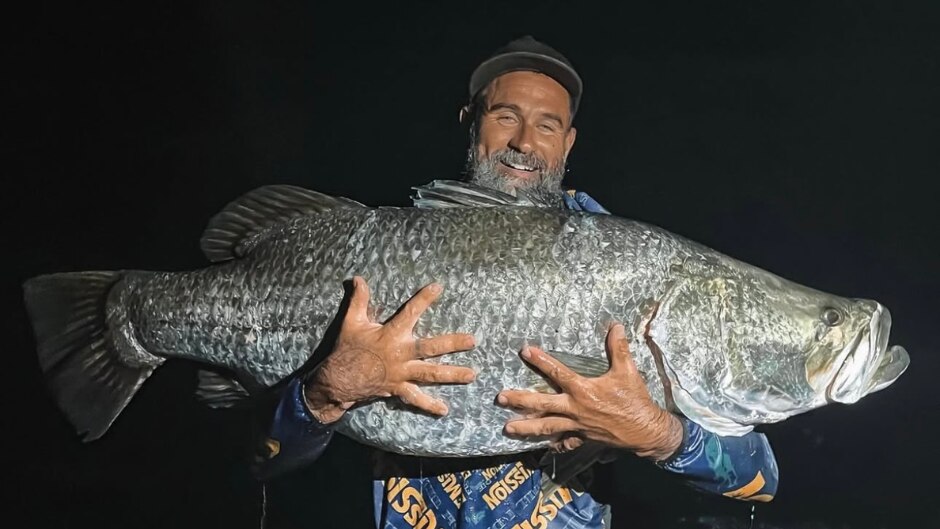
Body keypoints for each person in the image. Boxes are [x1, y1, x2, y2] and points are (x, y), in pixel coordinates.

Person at [253, 35, 779, 528]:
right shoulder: (379, 252)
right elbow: (259, 461)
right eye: (506, 116)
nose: (524, 143)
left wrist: (658, 434)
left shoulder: (633, 273)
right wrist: (326, 393)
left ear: (568, 142)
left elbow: (760, 480)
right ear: (470, 121)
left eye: (547, 125)